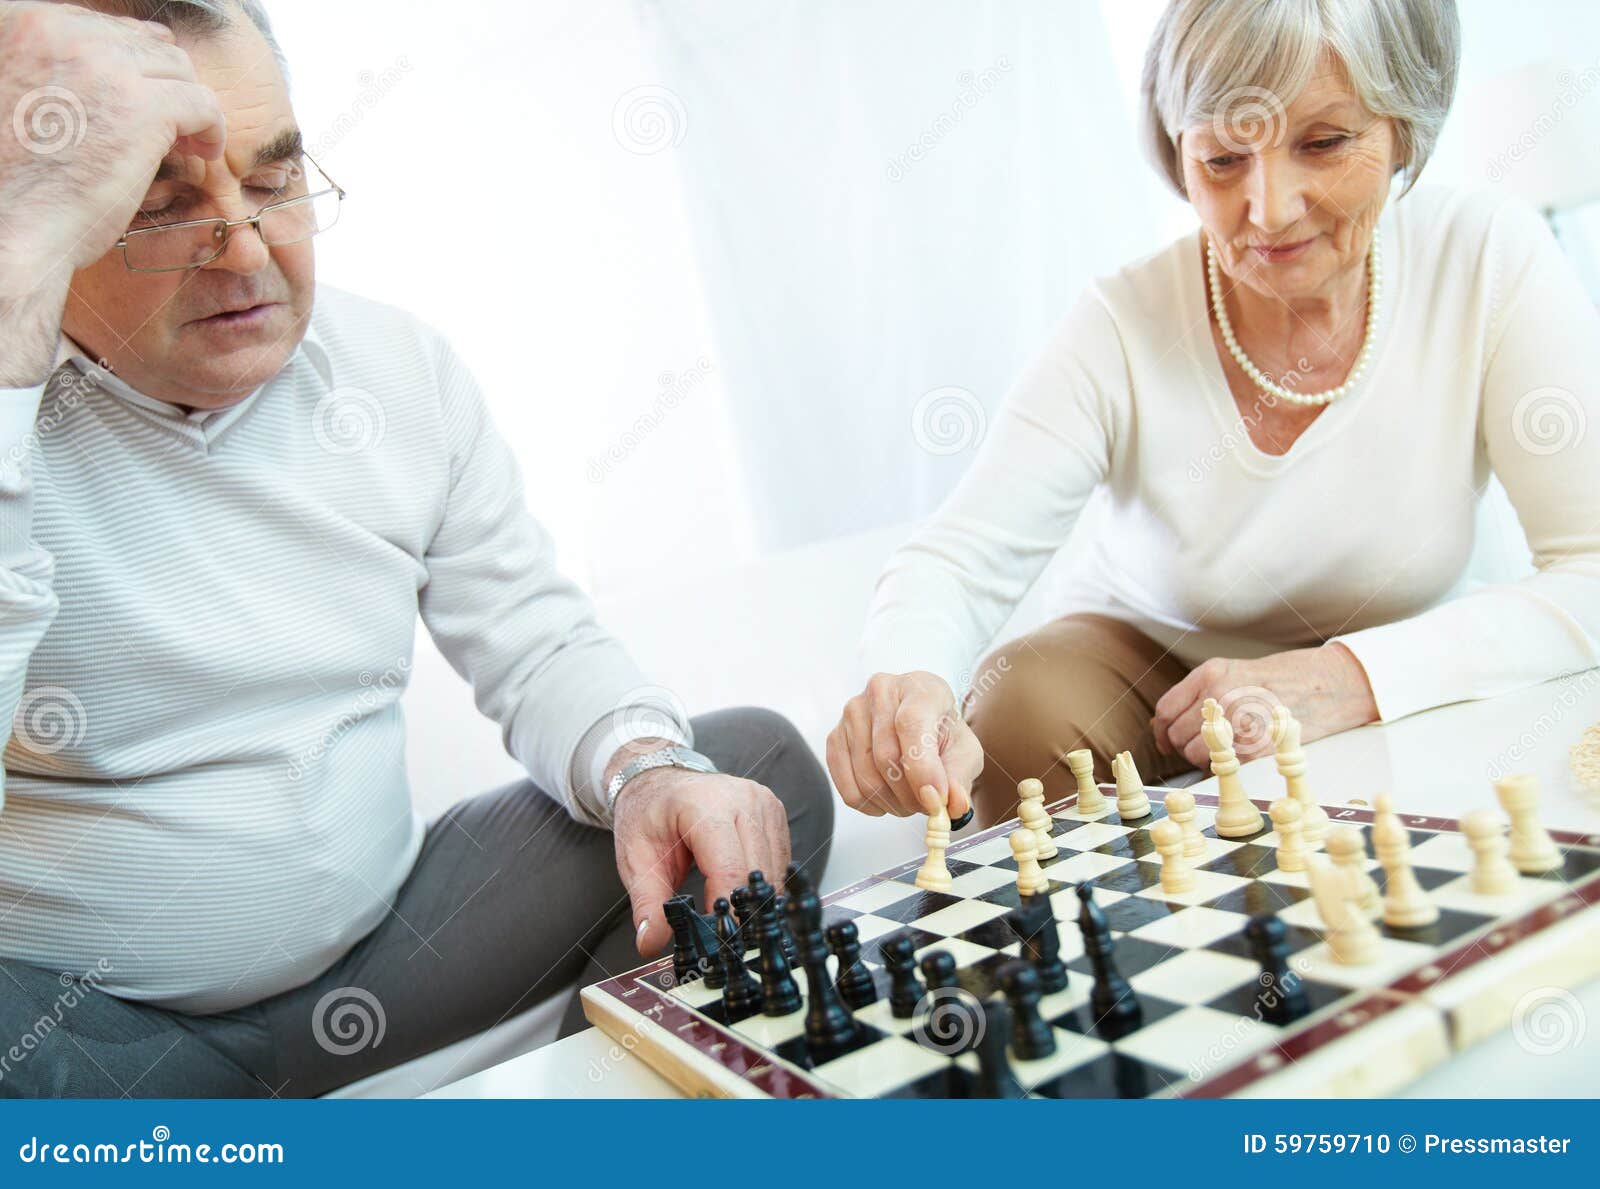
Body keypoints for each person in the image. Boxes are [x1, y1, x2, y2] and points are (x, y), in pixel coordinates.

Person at [0, 0, 831, 1098]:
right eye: (163, 205)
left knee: (746, 776)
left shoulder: (396, 371)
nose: (245, 247)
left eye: (274, 179)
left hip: (386, 963)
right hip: (91, 1035)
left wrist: (644, 771)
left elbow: (535, 644)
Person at [829, 0, 1600, 827]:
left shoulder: (1487, 254)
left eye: (1325, 143)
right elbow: (959, 557)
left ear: (1405, 127)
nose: (1269, 209)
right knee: (1020, 703)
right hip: (1156, 671)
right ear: (1177, 153)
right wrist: (907, 679)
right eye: (1225, 159)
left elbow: (1591, 570)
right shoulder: (1124, 324)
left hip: (1396, 646)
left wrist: (1350, 677)